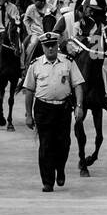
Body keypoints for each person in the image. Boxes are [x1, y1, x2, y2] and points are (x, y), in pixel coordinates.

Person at [22, 31, 84, 192]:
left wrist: (79, 106)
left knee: (64, 144)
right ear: (42, 47)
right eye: (47, 46)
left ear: (57, 45)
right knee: (46, 145)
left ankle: (60, 168)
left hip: (63, 108)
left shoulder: (68, 62)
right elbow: (29, 90)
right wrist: (28, 115)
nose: (50, 49)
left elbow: (78, 84)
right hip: (43, 108)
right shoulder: (35, 65)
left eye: (53, 45)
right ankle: (47, 182)